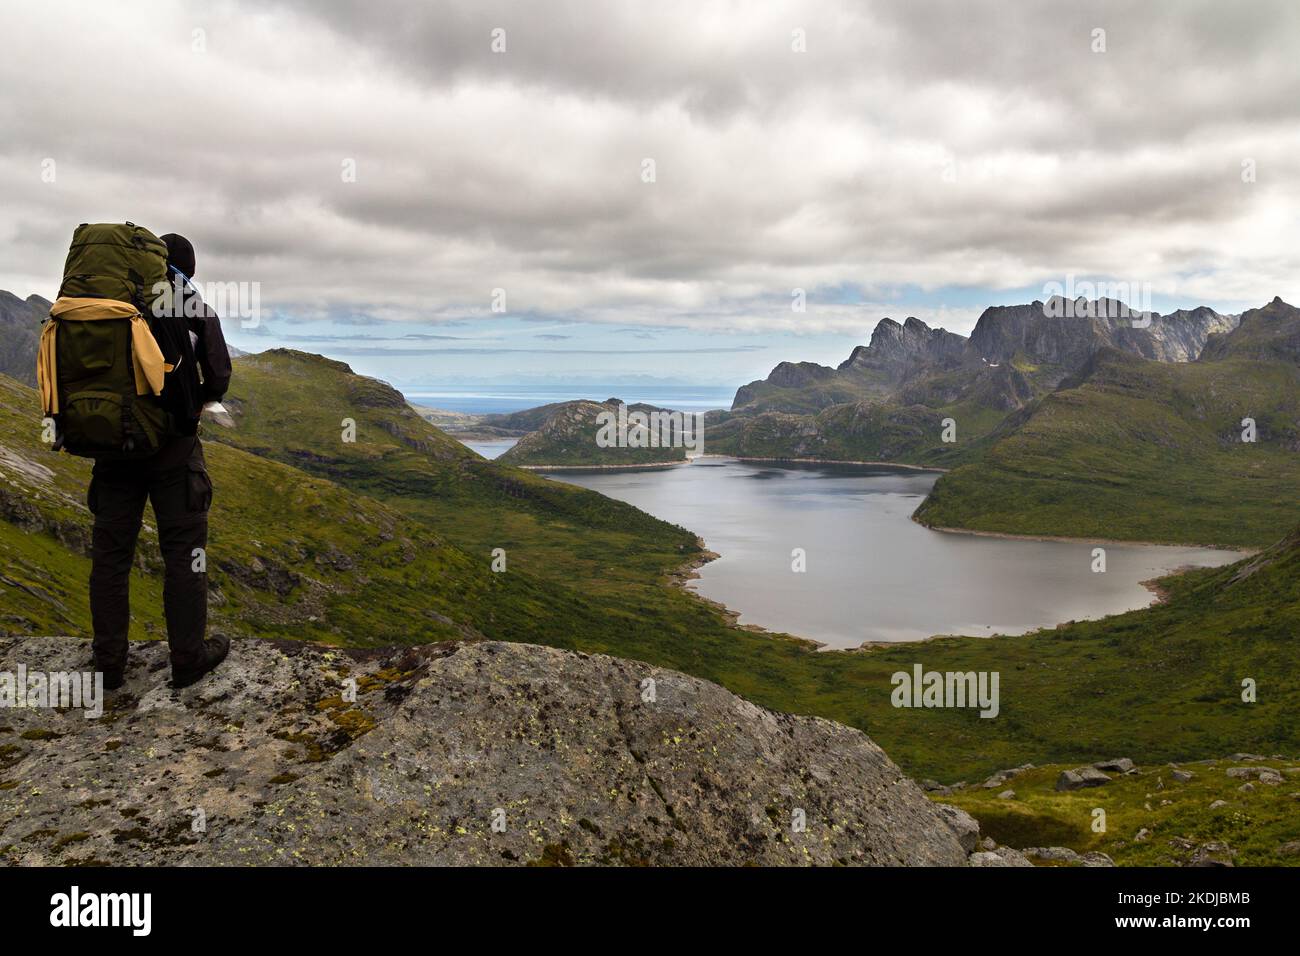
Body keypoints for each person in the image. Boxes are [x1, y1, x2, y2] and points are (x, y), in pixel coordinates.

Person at [88, 233, 233, 689]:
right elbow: (220, 376)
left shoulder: (107, 302)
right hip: (174, 450)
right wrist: (191, 399)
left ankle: (109, 663)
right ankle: (188, 658)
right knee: (184, 555)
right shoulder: (190, 306)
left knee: (111, 556)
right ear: (188, 267)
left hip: (112, 449)